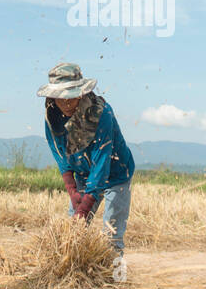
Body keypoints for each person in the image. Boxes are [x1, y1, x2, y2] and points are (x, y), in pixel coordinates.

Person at [39, 62, 135, 263]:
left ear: (81, 93)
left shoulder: (101, 113)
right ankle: (72, 273)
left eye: (70, 97)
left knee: (111, 236)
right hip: (83, 175)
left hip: (116, 175)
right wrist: (71, 187)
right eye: (60, 98)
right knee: (73, 229)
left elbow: (102, 158)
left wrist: (86, 204)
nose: (65, 103)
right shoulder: (52, 115)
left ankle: (114, 281)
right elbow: (58, 150)